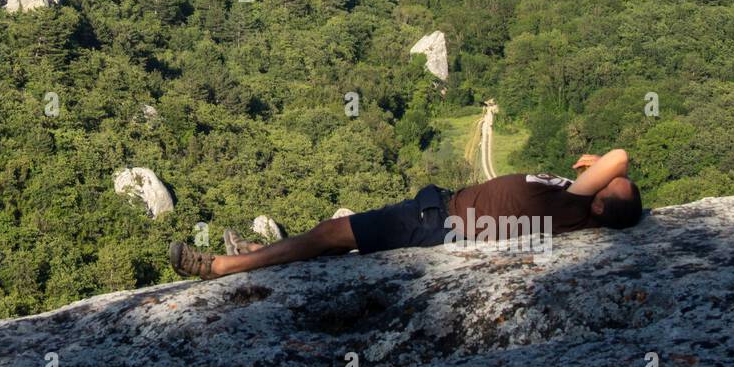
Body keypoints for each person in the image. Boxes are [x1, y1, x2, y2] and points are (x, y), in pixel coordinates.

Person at [169, 149, 641, 280]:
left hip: (438, 225)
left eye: (606, 181)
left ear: (600, 199)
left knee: (333, 233)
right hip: (439, 208)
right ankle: (261, 253)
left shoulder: (576, 205)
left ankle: (220, 267)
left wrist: (600, 161)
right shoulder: (576, 203)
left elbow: (619, 156)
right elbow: (616, 172)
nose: (599, 172)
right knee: (334, 237)